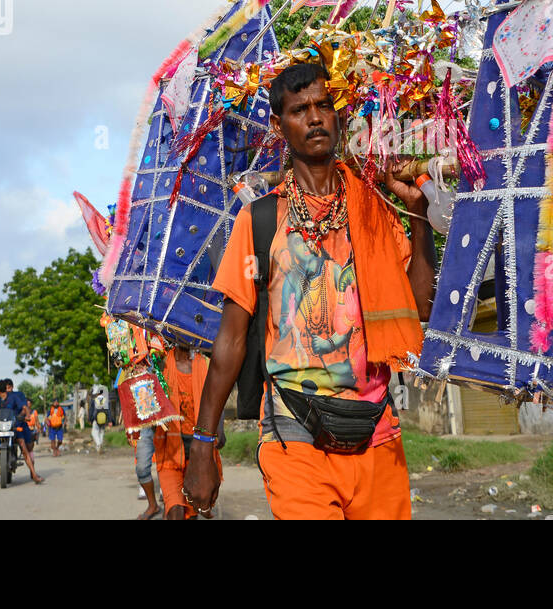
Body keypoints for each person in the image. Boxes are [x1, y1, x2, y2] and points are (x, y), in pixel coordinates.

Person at [186, 63, 436, 520]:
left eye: (324, 105)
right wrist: (204, 442)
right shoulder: (259, 220)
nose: (315, 117)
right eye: (300, 110)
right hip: (293, 430)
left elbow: (419, 305)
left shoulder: (373, 209)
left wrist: (417, 215)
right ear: (281, 125)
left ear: (339, 117)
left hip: (376, 430)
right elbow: (232, 338)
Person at [153, 346, 222, 519]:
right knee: (175, 509)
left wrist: (219, 429)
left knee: (192, 512)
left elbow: (217, 397)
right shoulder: (160, 364)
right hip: (170, 452)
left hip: (198, 451)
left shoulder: (205, 364)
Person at [0, 379, 43, 485]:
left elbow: (24, 407)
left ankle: (34, 475)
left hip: (13, 426)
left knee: (24, 447)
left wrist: (28, 416)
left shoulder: (13, 397)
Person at [133, 428, 159, 520]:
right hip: (146, 424)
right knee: (141, 469)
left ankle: (171, 506)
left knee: (169, 466)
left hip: (170, 422)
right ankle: (153, 506)